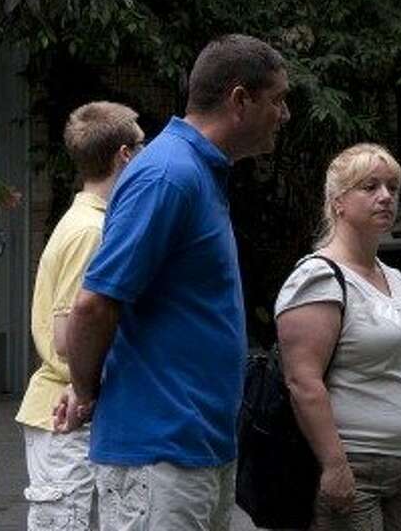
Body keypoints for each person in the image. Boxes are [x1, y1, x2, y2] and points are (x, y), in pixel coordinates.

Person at [57, 34, 289, 531]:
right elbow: (94, 304)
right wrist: (85, 389)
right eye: (277, 100)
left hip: (197, 448)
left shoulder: (198, 171)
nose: (284, 114)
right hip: (159, 450)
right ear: (240, 100)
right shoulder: (168, 174)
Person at [275, 144, 401, 531]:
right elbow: (303, 382)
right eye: (369, 187)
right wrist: (335, 464)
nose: (386, 197)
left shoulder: (397, 279)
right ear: (338, 201)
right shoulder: (318, 277)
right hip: (356, 463)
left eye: (392, 187)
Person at [15, 102, 143, 531]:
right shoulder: (91, 231)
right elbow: (69, 336)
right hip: (64, 415)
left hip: (70, 410)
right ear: (124, 155)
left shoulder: (89, 221)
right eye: (140, 145)